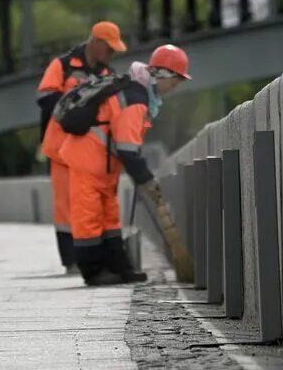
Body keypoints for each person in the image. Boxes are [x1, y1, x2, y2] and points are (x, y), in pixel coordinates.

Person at [54, 43, 190, 285]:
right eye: (176, 81)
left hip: (101, 166)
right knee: (89, 218)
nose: (175, 87)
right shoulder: (135, 100)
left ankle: (120, 268)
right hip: (87, 162)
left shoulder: (134, 92)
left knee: (109, 218)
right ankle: (94, 272)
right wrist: (147, 180)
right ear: (163, 75)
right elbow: (128, 149)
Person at [33, 21, 124, 271]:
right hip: (61, 149)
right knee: (65, 208)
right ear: (94, 43)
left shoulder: (107, 74)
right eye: (109, 48)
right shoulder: (63, 66)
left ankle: (95, 258)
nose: (112, 54)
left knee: (91, 207)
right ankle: (71, 260)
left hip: (93, 153)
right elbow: (44, 97)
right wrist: (74, 108)